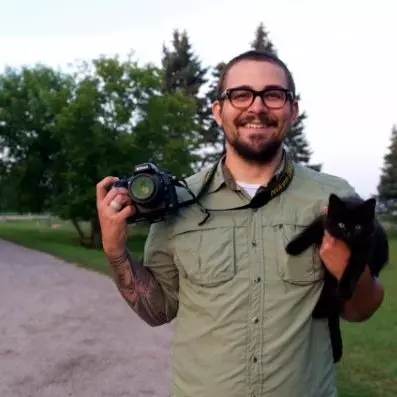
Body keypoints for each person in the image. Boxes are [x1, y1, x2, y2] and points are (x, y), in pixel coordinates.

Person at [96, 50, 385, 397]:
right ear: (219, 111)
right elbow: (157, 310)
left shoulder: (335, 199)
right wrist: (115, 250)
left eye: (273, 95)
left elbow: (360, 310)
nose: (257, 107)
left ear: (293, 110)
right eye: (241, 94)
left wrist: (351, 270)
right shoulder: (179, 201)